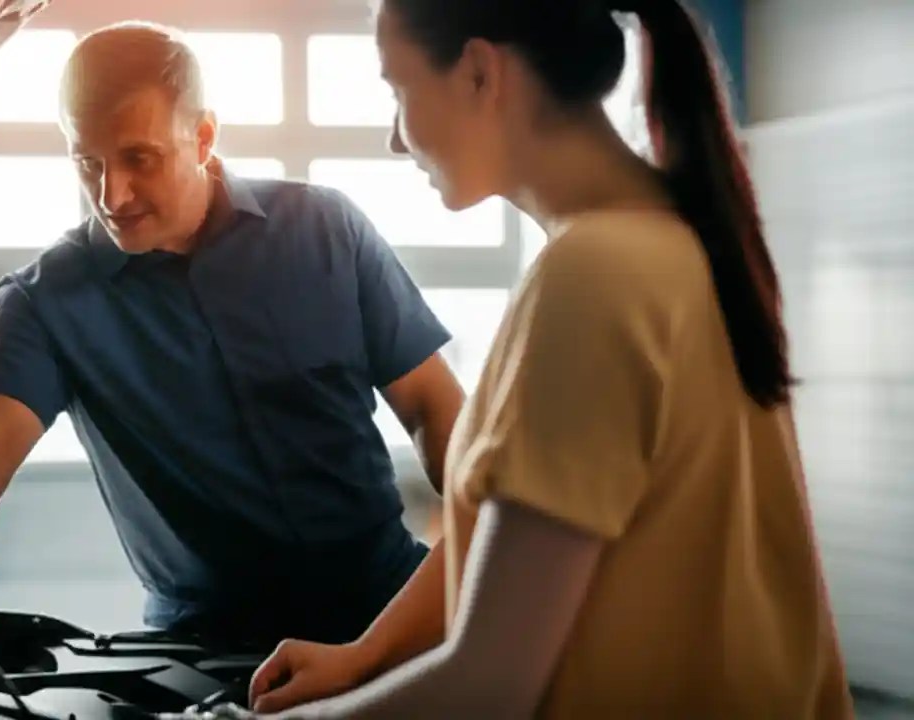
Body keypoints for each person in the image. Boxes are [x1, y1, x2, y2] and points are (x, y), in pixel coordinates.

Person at [200, 0, 856, 718]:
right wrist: (366, 654)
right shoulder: (669, 240)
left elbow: (488, 686)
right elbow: (513, 549)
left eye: (398, 90)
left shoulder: (595, 275)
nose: (394, 138)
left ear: (480, 74)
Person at [0, 20, 467, 705]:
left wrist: (493, 544)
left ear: (203, 137)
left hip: (392, 618)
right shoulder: (46, 301)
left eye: (138, 159)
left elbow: (433, 409)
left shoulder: (326, 227)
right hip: (207, 664)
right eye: (88, 163)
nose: (111, 195)